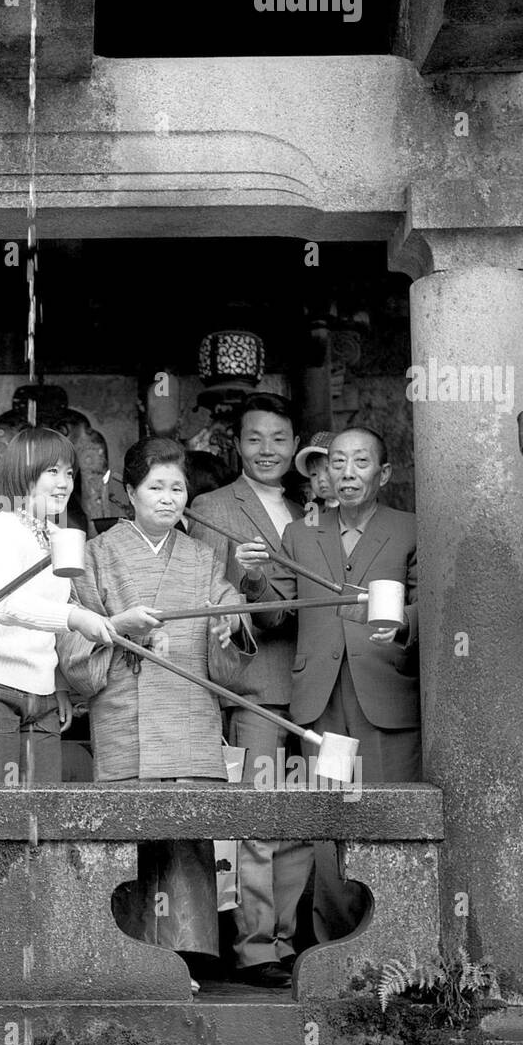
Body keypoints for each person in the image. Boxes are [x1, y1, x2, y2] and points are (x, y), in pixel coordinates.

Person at [61, 439, 255, 984]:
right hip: (126, 710)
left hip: (190, 708)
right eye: (156, 487)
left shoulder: (203, 557)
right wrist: (119, 627)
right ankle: (131, 957)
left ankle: (184, 957)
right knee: (133, 834)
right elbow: (75, 647)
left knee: (187, 834)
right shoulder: (97, 554)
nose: (169, 498)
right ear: (129, 493)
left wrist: (229, 622)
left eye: (177, 488)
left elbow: (229, 626)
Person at [246, 425, 420, 944]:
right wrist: (254, 576)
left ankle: (394, 941)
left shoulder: (410, 528)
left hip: (385, 694)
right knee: (329, 818)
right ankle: (335, 946)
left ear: (383, 473)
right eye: (338, 462)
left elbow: (434, 598)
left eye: (360, 462)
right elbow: (273, 612)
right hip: (322, 702)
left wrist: (404, 620)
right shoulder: (302, 533)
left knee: (387, 814)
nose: (346, 473)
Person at [188, 393, 311, 987]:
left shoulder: (310, 506)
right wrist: (247, 579)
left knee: (304, 819)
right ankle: (255, 945)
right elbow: (209, 595)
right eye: (256, 438)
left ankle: (287, 937)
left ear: (296, 446)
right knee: (256, 817)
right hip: (255, 686)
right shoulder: (212, 506)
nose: (268, 450)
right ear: (237, 444)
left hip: (319, 683)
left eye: (279, 439)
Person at [0, 427, 115, 787]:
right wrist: (76, 617)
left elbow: (53, 612)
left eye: (69, 473)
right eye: (51, 472)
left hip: (41, 696)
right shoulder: (0, 528)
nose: (64, 483)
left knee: (41, 813)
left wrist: (56, 682)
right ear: (24, 473)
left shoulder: (59, 537)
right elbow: (9, 606)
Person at [295, 431, 338, 516]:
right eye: (314, 474)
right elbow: (308, 528)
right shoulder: (313, 509)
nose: (321, 479)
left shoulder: (356, 507)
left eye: (327, 470)